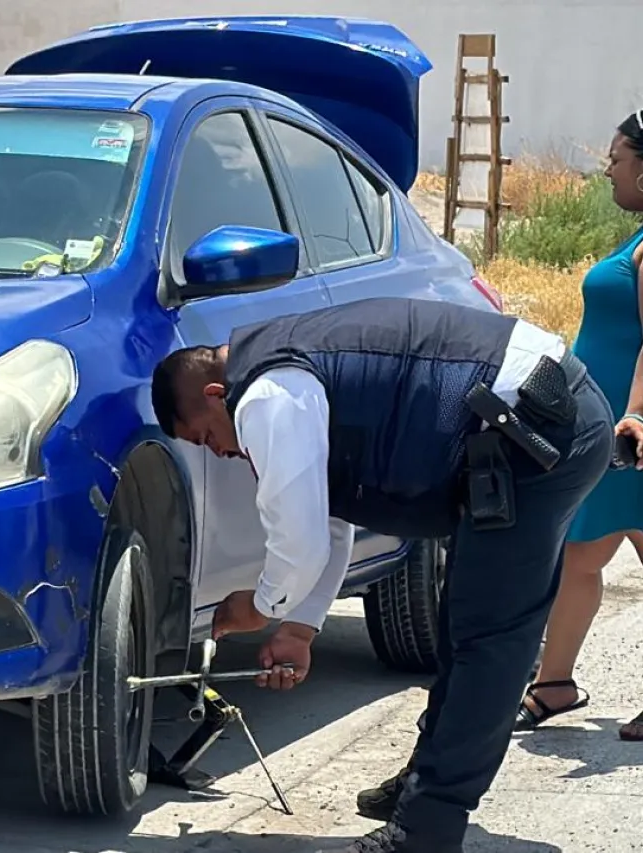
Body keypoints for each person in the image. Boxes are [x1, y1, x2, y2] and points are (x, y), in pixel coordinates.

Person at [150, 296, 613, 853]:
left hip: (538, 433)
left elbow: (299, 543)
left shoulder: (267, 394)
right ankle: (424, 789)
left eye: (206, 437)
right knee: (462, 628)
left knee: (489, 639)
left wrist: (258, 608)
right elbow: (332, 519)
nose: (220, 453)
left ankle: (425, 831)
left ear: (214, 395)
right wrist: (298, 629)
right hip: (517, 424)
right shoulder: (283, 372)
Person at [513, 110, 643, 742]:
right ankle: (554, 684)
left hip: (632, 431)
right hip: (607, 430)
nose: (609, 168)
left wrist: (638, 413)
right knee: (581, 554)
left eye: (617, 158)